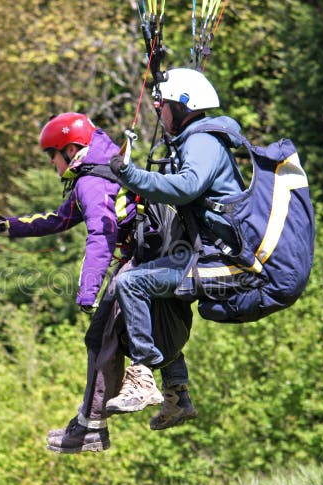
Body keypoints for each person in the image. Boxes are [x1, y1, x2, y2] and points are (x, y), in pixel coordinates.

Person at [0, 112, 193, 454]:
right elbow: (60, 218)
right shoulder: (102, 168)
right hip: (165, 255)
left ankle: (91, 427)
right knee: (152, 324)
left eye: (52, 155)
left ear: (71, 149)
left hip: (144, 259)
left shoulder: (91, 182)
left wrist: (88, 291)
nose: (51, 163)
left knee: (100, 336)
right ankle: (178, 395)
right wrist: (10, 226)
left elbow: (101, 236)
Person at [106, 68, 246, 414]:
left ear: (183, 106)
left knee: (131, 283)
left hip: (225, 259)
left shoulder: (202, 141)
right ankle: (177, 395)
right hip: (207, 254)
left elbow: (185, 187)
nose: (158, 109)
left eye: (164, 104)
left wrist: (131, 174)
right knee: (155, 288)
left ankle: (142, 377)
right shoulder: (192, 142)